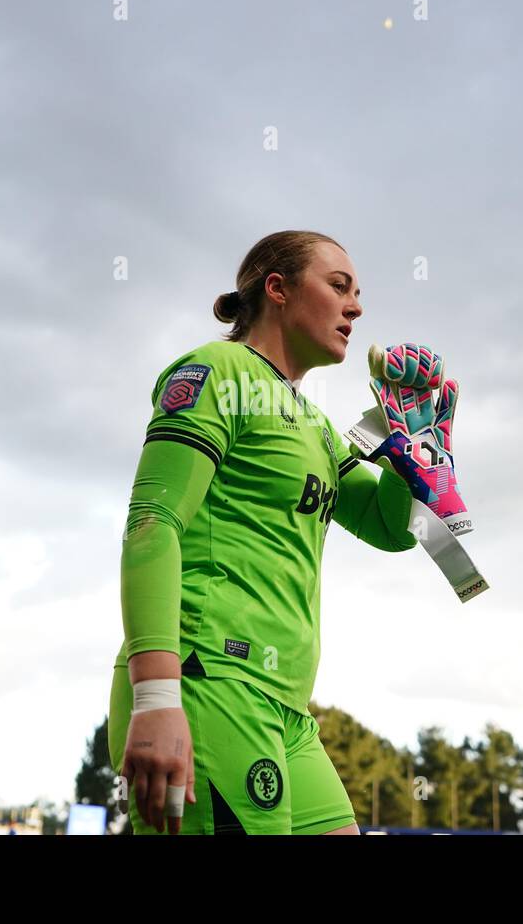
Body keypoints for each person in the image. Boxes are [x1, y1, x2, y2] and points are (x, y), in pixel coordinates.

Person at [107, 230, 420, 835]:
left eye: (358, 294)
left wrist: (408, 450)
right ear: (277, 289)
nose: (356, 307)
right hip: (207, 683)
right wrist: (156, 698)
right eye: (338, 287)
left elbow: (391, 528)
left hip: (288, 709)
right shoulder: (217, 370)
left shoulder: (317, 425)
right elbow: (152, 524)